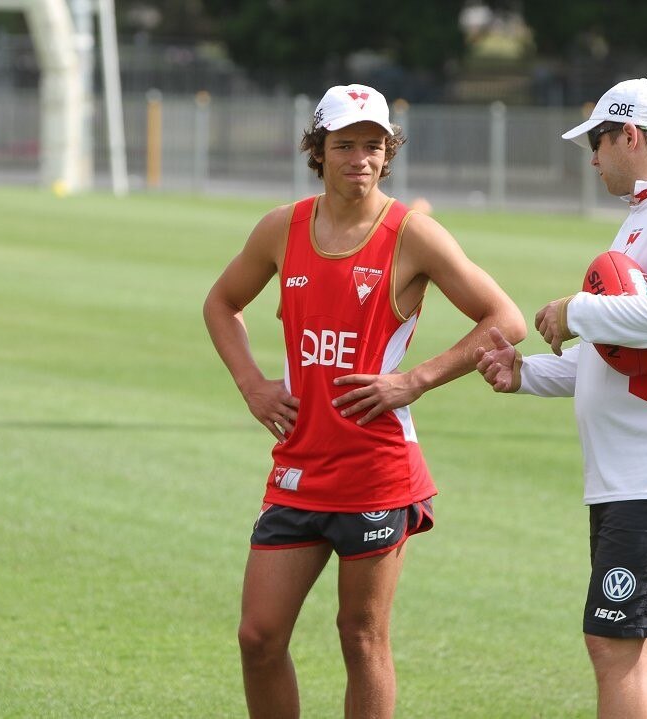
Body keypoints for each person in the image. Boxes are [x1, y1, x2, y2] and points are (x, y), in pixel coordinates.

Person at [204, 83, 526, 718]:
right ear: (317, 152)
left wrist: (415, 380)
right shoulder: (282, 228)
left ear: (389, 154)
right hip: (299, 467)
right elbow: (221, 303)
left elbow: (505, 318)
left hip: (376, 471)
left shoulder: (413, 234)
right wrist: (252, 384)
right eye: (345, 145)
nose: (361, 158)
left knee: (361, 637)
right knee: (258, 637)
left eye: (374, 146)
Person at [475, 78, 647, 719]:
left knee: (615, 643)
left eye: (597, 142)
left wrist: (580, 308)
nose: (592, 158)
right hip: (645, 474)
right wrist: (528, 374)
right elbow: (626, 360)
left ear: (629, 135)